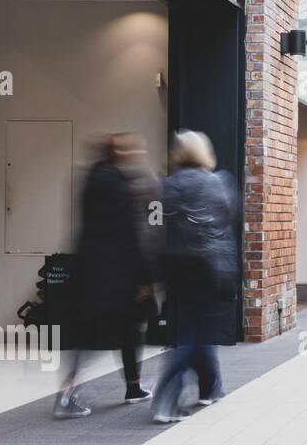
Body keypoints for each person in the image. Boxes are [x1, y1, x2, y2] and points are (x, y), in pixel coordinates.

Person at [55, 135, 155, 419]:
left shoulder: (92, 181)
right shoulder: (120, 187)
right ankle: (127, 388)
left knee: (89, 334)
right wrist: (143, 278)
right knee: (128, 331)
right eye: (132, 149)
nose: (137, 153)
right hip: (118, 275)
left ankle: (72, 392)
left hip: (90, 270)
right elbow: (130, 236)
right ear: (120, 153)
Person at [151, 131, 236, 423]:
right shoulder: (216, 183)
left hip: (176, 267)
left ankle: (211, 387)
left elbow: (157, 228)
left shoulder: (168, 185)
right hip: (206, 266)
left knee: (195, 328)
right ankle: (165, 399)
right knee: (192, 333)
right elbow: (226, 222)